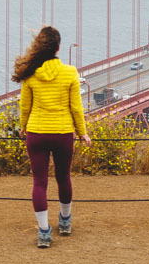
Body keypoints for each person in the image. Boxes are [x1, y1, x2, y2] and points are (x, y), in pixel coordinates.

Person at [12, 25, 90, 248]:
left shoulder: (31, 73)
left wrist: (23, 126)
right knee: (63, 178)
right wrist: (82, 132)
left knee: (39, 183)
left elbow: (25, 106)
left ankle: (44, 232)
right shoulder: (70, 72)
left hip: (36, 132)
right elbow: (76, 107)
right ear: (58, 48)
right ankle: (65, 222)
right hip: (63, 132)